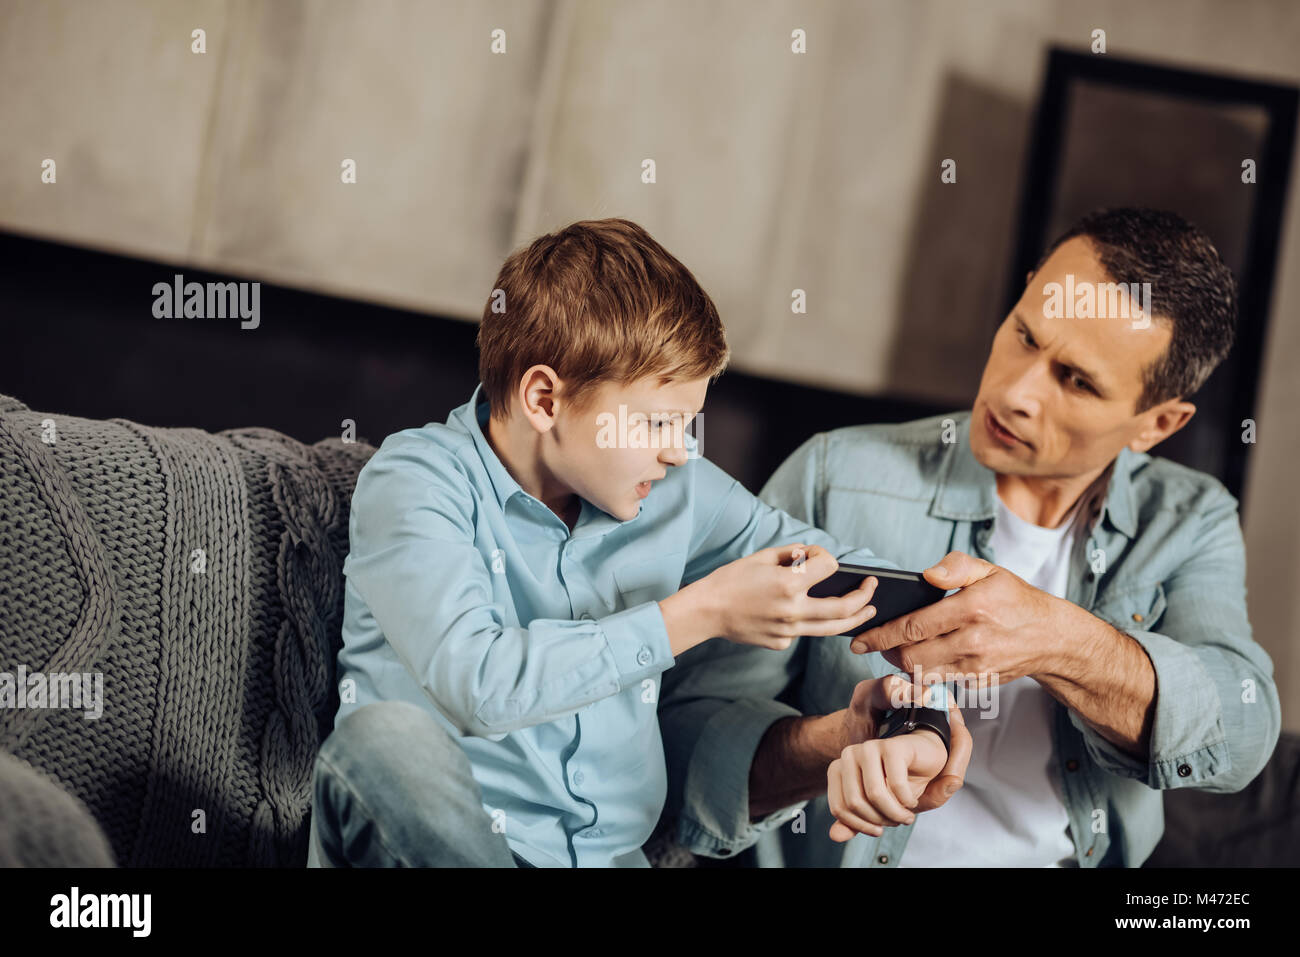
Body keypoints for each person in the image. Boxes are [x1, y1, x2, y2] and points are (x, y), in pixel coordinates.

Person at [306, 218, 970, 868]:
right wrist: (699, 612)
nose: (679, 451)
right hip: (454, 843)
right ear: (544, 399)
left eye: (688, 425)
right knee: (383, 740)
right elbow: (481, 683)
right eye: (659, 421)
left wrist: (923, 717)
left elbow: (837, 570)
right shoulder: (417, 480)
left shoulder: (675, 495)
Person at [658, 207, 1280, 867]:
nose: (1015, 391)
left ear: (1156, 423)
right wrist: (839, 740)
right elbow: (686, 743)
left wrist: (1059, 641)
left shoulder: (1190, 518)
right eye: (1024, 335)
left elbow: (1242, 732)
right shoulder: (835, 474)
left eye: (1076, 381)